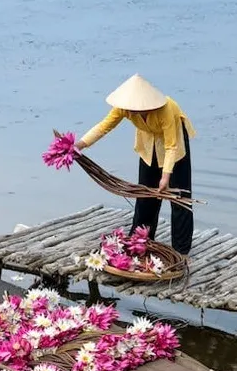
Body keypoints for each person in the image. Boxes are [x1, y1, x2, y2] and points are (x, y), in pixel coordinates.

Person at [74, 74, 197, 256]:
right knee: (145, 195)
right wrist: (79, 145)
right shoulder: (124, 108)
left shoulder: (166, 109)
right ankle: (140, 241)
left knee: (179, 197)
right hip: (148, 147)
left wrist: (165, 176)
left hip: (174, 147)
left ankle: (181, 251)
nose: (133, 112)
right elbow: (103, 127)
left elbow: (171, 145)